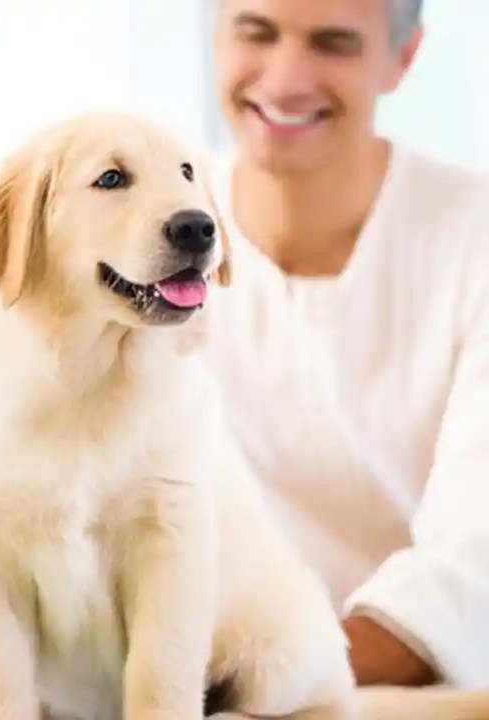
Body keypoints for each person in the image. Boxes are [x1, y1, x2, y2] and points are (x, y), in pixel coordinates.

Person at [205, 0, 489, 690]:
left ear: (403, 59)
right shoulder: (154, 220)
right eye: (258, 32)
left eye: (333, 44)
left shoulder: (471, 238)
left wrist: (240, 689)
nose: (285, 78)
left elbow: (470, 567)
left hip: (412, 692)